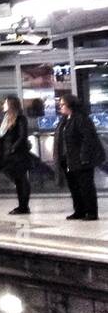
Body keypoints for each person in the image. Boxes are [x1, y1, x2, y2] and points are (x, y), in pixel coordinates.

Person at [53, 92, 105, 221]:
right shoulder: (65, 120)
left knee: (86, 186)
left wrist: (84, 156)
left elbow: (88, 138)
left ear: (70, 105)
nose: (60, 107)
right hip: (68, 159)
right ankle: (79, 210)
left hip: (81, 159)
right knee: (74, 186)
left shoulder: (81, 118)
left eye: (62, 104)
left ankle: (91, 212)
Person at [0, 95, 32, 216]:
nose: (3, 105)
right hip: (8, 155)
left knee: (22, 180)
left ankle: (24, 206)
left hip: (18, 155)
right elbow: (3, 136)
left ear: (11, 105)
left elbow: (22, 136)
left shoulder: (20, 119)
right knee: (17, 180)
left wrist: (13, 148)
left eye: (5, 103)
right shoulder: (6, 118)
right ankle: (21, 205)